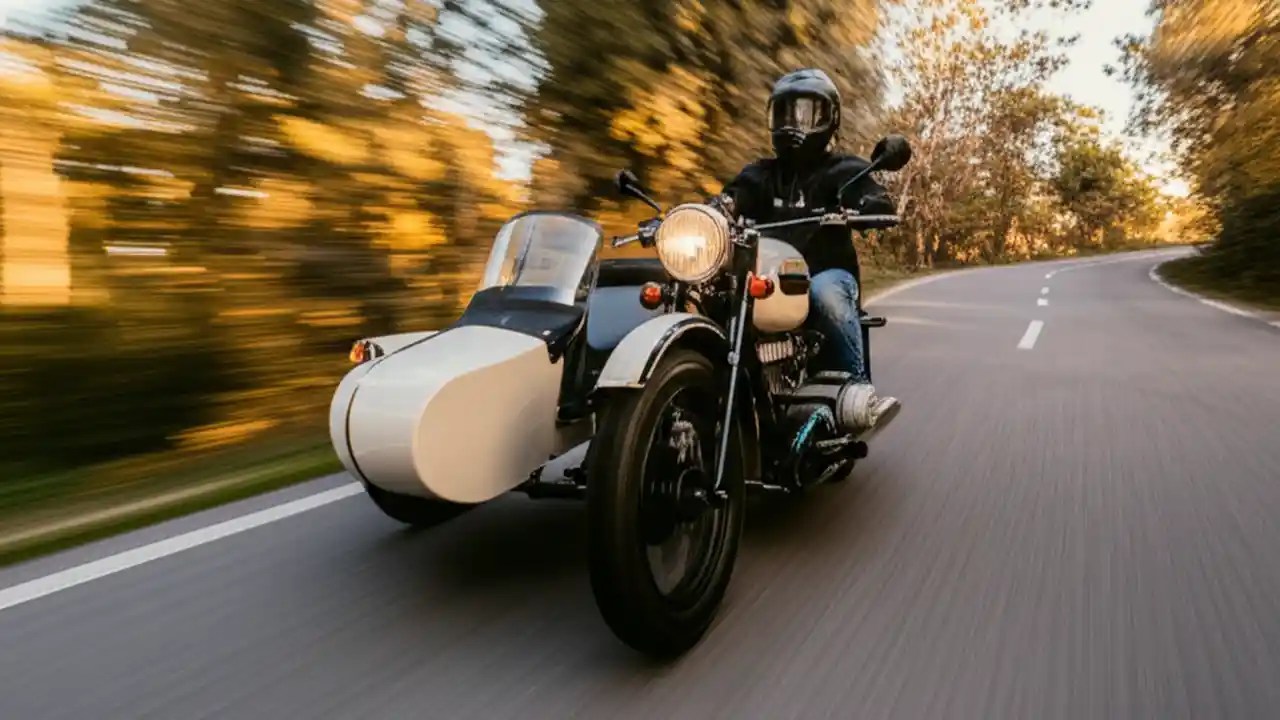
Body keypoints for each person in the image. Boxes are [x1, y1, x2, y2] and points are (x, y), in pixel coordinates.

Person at [710, 68, 900, 435]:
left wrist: (868, 206)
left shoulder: (843, 169)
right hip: (767, 278)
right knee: (710, 293)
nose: (793, 124)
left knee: (826, 294)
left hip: (823, 272)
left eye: (807, 112)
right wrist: (715, 209)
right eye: (784, 112)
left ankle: (856, 396)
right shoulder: (760, 174)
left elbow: (873, 196)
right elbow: (732, 198)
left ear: (830, 119)